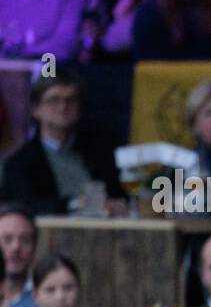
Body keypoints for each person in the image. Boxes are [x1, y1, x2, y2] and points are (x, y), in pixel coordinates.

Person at [1, 74, 129, 215]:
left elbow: (120, 195)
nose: (63, 107)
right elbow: (25, 208)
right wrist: (74, 204)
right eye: (54, 100)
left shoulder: (102, 152)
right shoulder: (19, 163)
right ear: (36, 109)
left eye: (71, 100)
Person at [9, 253, 99, 307]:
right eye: (50, 290)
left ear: (79, 290)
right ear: (35, 296)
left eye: (68, 287)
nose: (60, 297)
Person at [0, 203, 40, 307]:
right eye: (7, 239)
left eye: (24, 240)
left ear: (34, 247)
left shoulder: (49, 297)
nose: (15, 247)